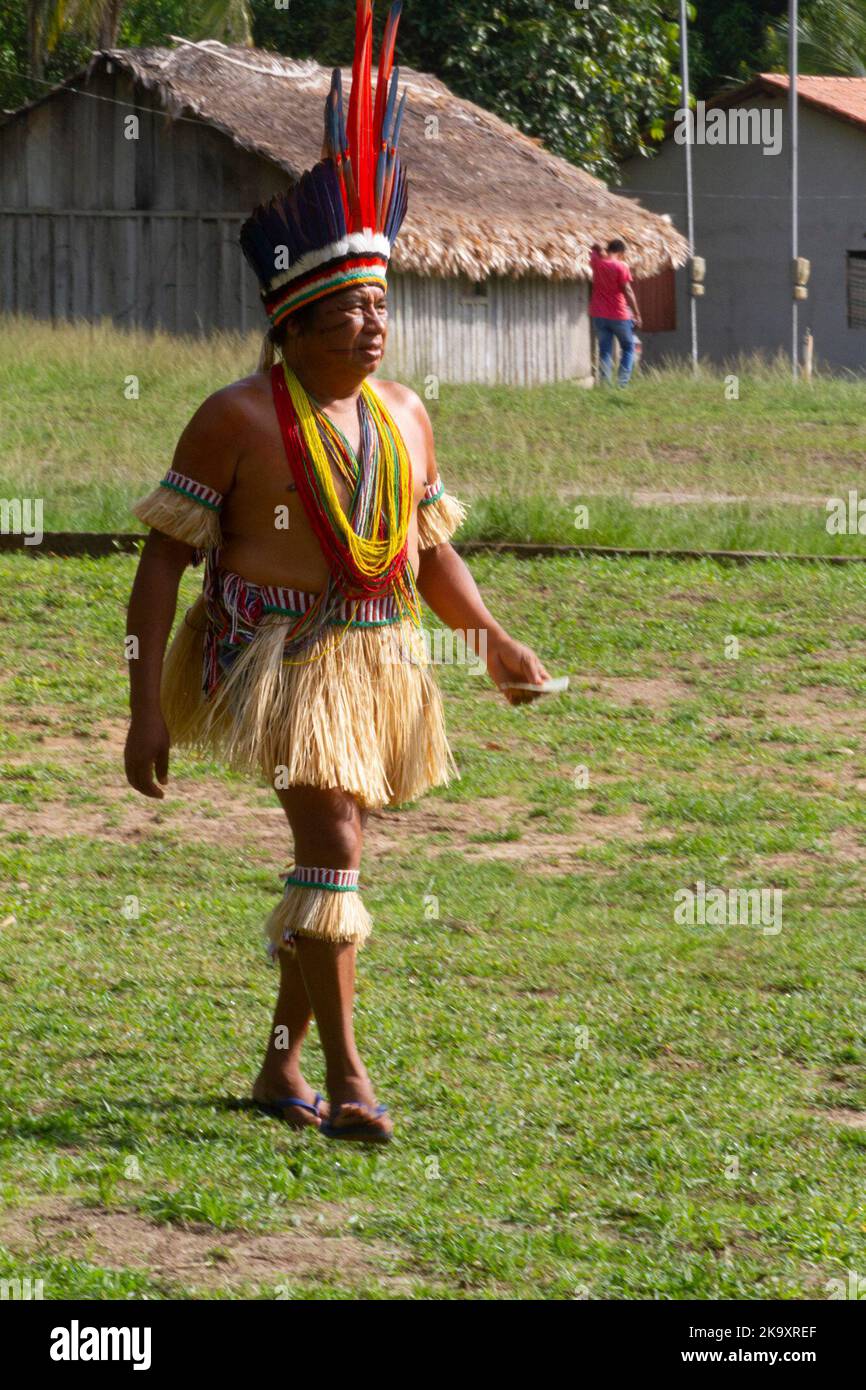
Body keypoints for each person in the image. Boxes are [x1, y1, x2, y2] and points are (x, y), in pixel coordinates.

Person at [123, 0, 550, 1143]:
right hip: (269, 655)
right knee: (335, 852)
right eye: (350, 312)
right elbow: (163, 561)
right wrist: (141, 711)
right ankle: (351, 1083)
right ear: (295, 325)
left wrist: (491, 641)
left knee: (336, 866)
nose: (373, 328)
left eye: (381, 307)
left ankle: (277, 1070)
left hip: (376, 654)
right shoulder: (235, 419)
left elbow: (425, 545)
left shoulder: (404, 414)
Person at [589, 238, 642, 387]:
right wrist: (637, 314)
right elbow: (628, 290)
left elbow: (593, 246)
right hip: (619, 314)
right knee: (628, 347)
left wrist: (600, 250)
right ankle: (622, 384)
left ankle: (605, 384)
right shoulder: (621, 266)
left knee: (604, 350)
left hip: (598, 313)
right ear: (621, 252)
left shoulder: (597, 263)